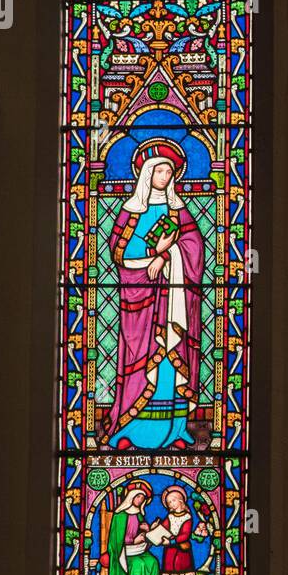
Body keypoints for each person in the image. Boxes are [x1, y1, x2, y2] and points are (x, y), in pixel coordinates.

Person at [101, 138, 203, 450]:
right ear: (147, 173)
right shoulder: (130, 210)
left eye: (170, 172)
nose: (166, 177)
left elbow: (195, 247)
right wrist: (150, 253)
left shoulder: (178, 210)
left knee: (168, 359)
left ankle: (174, 431)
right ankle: (129, 427)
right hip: (138, 295)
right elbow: (118, 252)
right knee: (138, 357)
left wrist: (167, 255)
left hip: (171, 298)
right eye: (160, 170)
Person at [100, 480, 160, 575]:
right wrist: (134, 540)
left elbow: (142, 535)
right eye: (138, 496)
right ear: (131, 496)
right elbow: (116, 541)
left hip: (138, 550)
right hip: (122, 553)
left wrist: (150, 530)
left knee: (153, 561)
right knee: (139, 564)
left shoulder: (139, 515)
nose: (140, 500)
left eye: (142, 498)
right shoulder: (120, 516)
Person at [148, 484, 207, 575]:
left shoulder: (187, 517)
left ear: (180, 500)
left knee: (181, 573)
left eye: (173, 500)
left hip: (181, 551)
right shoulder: (170, 516)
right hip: (169, 552)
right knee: (169, 574)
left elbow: (185, 535)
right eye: (169, 502)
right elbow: (163, 528)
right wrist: (154, 528)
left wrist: (171, 541)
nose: (171, 504)